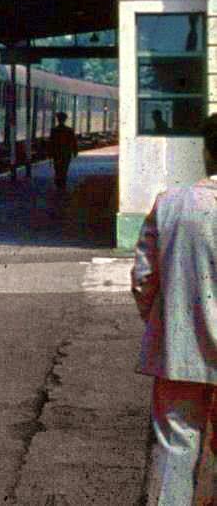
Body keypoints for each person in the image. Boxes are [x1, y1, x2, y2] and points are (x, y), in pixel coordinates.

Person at [132, 112, 217, 504]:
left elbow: (143, 279)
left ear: (207, 152)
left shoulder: (170, 204)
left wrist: (167, 323)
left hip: (180, 352)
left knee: (174, 454)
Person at [48, 111, 77, 190]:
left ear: (58, 119)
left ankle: (58, 182)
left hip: (56, 153)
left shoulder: (54, 130)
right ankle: (62, 182)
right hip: (66, 153)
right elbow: (73, 141)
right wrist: (75, 151)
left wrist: (50, 153)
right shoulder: (69, 130)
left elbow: (51, 143)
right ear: (65, 120)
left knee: (57, 168)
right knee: (64, 168)